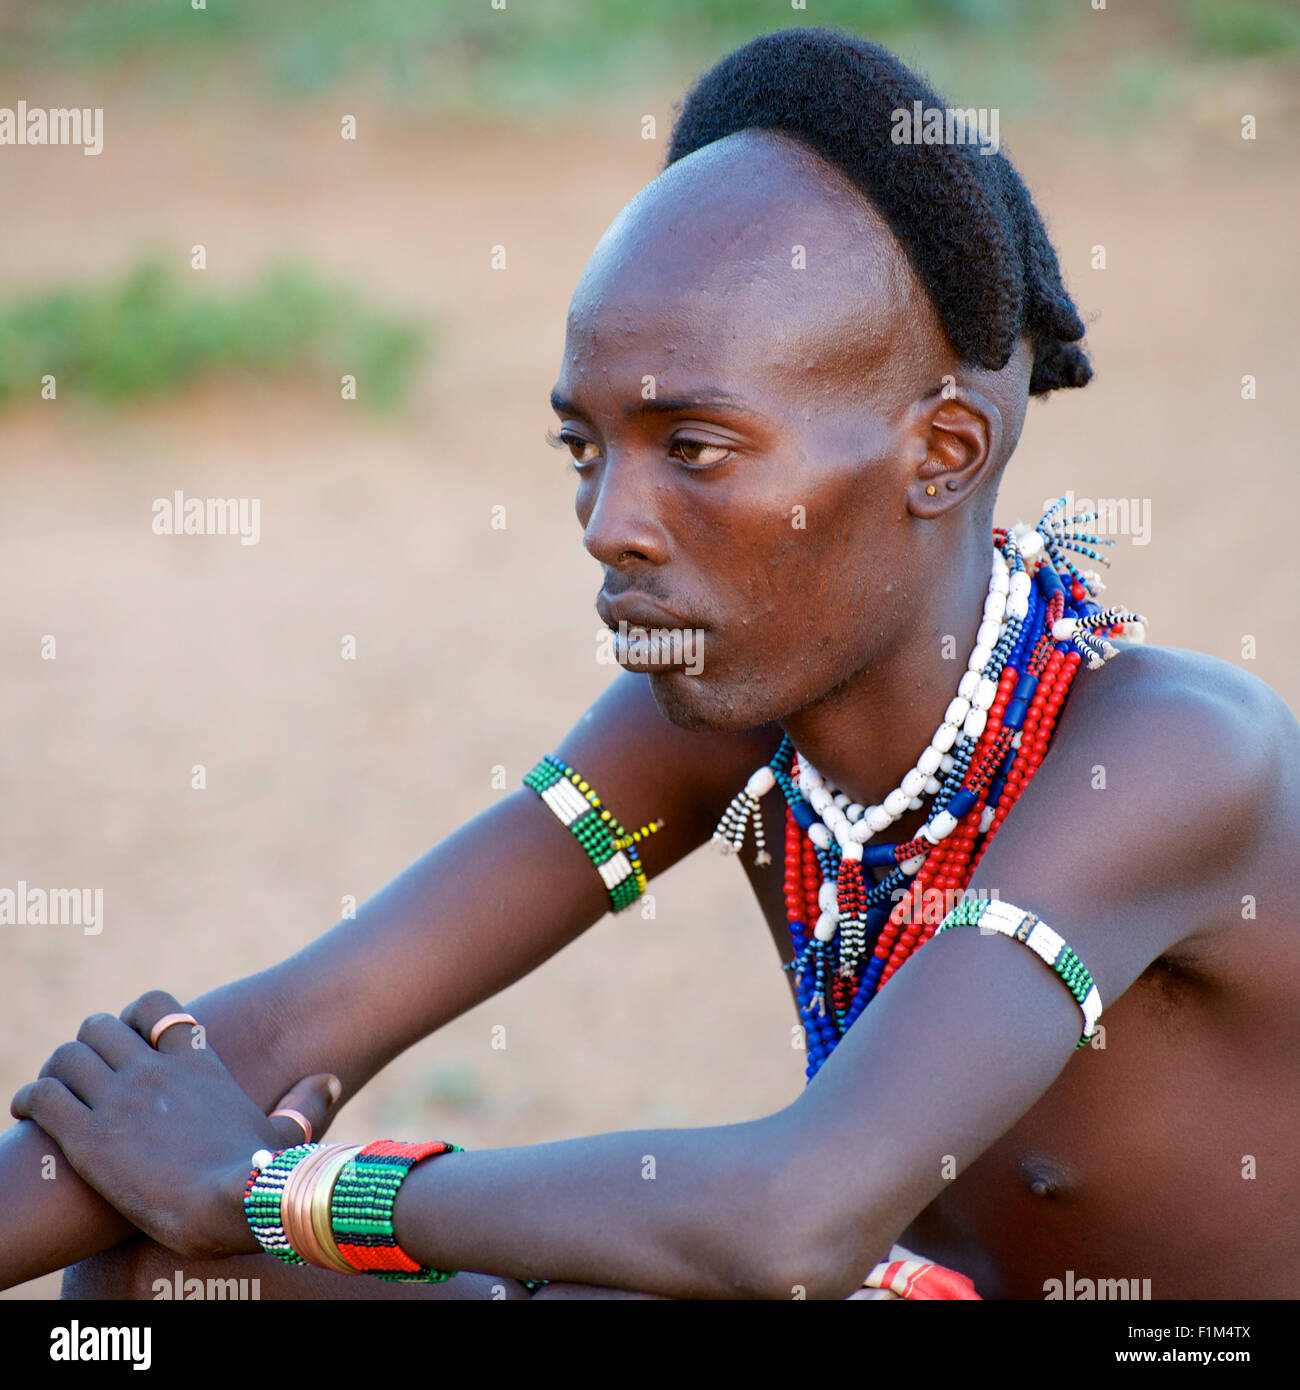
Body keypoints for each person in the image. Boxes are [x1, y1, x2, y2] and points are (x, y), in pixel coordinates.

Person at [6, 27, 1298, 1302]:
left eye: (695, 445)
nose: (608, 522)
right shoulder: (730, 714)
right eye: (587, 446)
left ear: (943, 453)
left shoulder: (1174, 757)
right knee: (161, 1274)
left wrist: (275, 1193)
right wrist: (184, 1158)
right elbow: (281, 1034)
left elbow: (796, 1220)